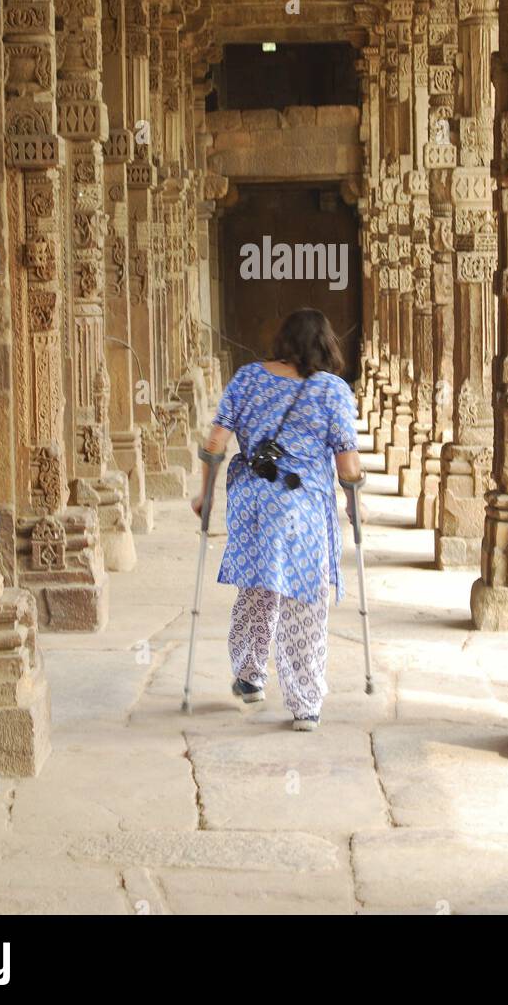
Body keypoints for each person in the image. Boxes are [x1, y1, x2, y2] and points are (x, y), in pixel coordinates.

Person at [192, 308, 363, 731]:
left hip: (254, 503)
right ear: (325, 346)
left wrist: (206, 493)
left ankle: (249, 676)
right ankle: (305, 702)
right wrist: (355, 507)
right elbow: (347, 463)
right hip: (303, 507)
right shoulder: (332, 391)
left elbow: (216, 441)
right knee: (305, 600)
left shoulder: (248, 378)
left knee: (259, 587)